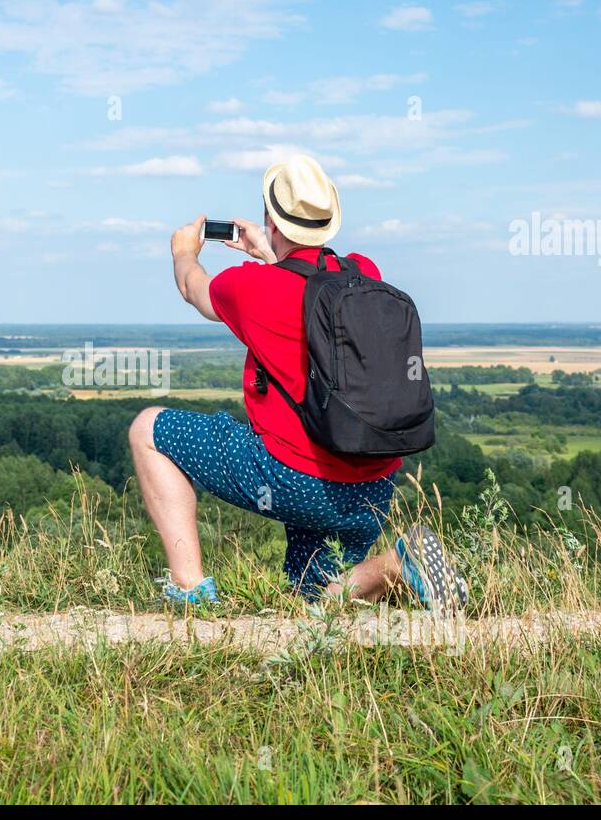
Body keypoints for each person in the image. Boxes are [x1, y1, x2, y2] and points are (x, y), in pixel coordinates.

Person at [128, 155, 465, 612]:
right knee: (309, 604)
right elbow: (307, 291)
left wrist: (183, 250)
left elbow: (195, 289)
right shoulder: (364, 271)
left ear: (272, 219)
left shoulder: (252, 288)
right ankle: (397, 564)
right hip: (373, 486)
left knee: (148, 429)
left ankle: (191, 592)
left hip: (296, 480)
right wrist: (271, 253)